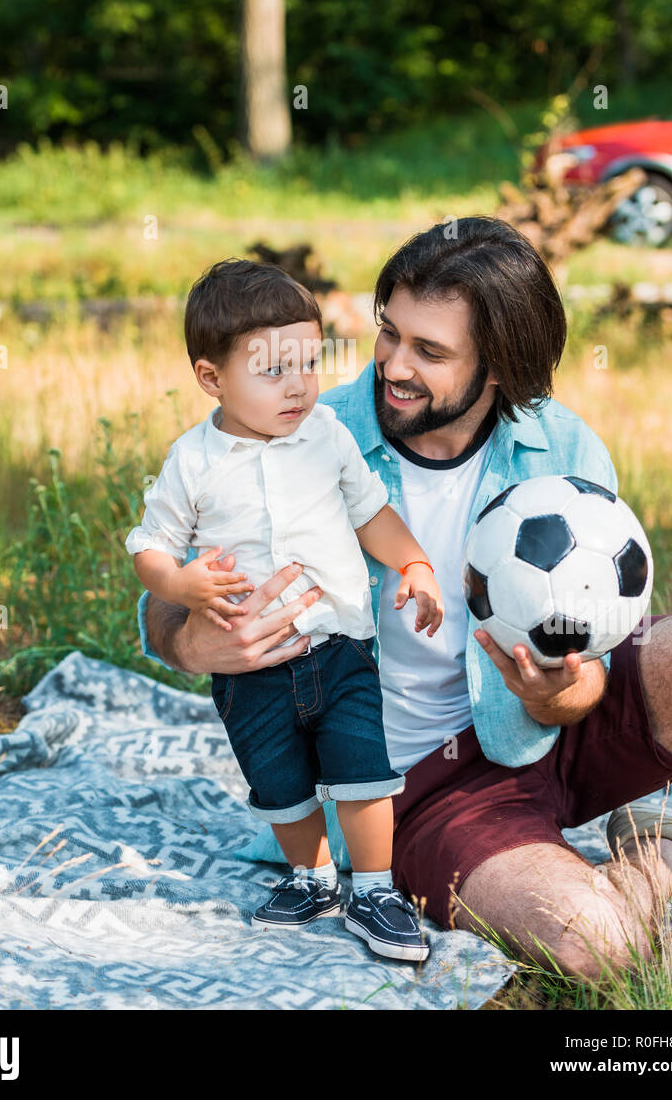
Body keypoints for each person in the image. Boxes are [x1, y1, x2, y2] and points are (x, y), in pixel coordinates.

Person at [139, 219, 672, 980]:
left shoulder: (562, 446)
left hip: (549, 722)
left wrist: (568, 690)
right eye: (389, 332)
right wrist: (190, 641)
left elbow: (595, 652)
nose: (391, 365)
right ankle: (658, 855)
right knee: (598, 948)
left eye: (429, 351)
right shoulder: (303, 433)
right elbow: (162, 604)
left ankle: (610, 822)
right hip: (420, 785)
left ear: (498, 369)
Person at [126, 258, 444, 961]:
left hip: (338, 646)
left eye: (308, 362)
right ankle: (311, 876)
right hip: (251, 665)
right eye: (273, 370)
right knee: (279, 786)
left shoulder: (325, 435)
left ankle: (375, 887)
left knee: (363, 772)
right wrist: (180, 587)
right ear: (212, 378)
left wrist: (414, 564)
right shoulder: (192, 461)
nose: (298, 384)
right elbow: (149, 549)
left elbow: (371, 513)